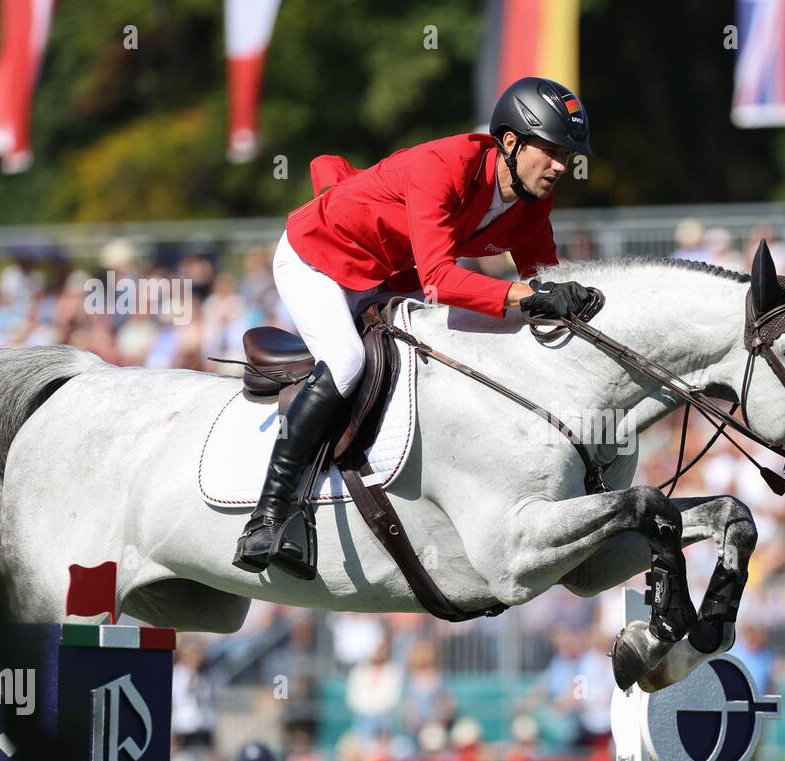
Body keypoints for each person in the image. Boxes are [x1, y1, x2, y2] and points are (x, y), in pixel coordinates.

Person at [233, 77, 596, 578]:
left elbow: (545, 280)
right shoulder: (443, 166)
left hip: (384, 275)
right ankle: (268, 514)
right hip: (317, 257)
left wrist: (576, 301)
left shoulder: (532, 201)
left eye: (567, 153)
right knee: (346, 361)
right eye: (551, 151)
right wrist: (528, 296)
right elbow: (441, 282)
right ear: (510, 142)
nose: (561, 165)